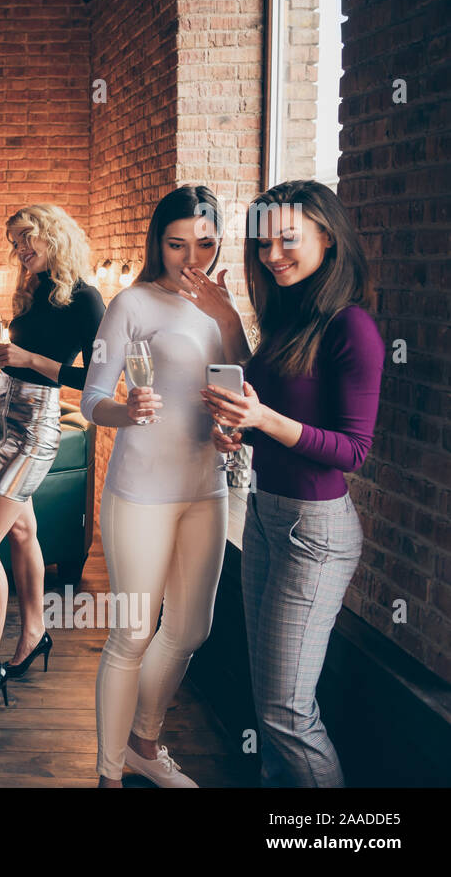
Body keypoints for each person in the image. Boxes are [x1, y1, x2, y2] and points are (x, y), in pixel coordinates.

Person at [203, 180, 382, 787]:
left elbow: (352, 450)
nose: (272, 254)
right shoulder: (289, 319)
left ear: (327, 237)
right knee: (269, 703)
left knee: (286, 711)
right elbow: (270, 422)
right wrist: (241, 431)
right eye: (262, 244)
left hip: (317, 532)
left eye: (288, 239)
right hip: (266, 517)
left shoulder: (350, 327)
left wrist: (264, 421)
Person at [81, 185, 251, 788]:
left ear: (220, 242)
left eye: (204, 244)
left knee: (190, 630)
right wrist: (125, 412)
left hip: (208, 487)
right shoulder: (131, 303)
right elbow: (91, 398)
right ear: (158, 242)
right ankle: (108, 773)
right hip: (140, 493)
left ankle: (143, 744)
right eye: (177, 244)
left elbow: (245, 390)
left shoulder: (224, 309)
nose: (191, 259)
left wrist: (229, 319)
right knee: (131, 631)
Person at [0, 204, 104, 722]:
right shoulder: (38, 287)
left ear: (53, 236)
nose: (19, 251)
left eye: (26, 240)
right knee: (21, 532)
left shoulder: (86, 298)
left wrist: (29, 360)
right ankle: (34, 631)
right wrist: (6, 357)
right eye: (14, 242)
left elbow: (97, 379)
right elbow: (25, 351)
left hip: (36, 426)